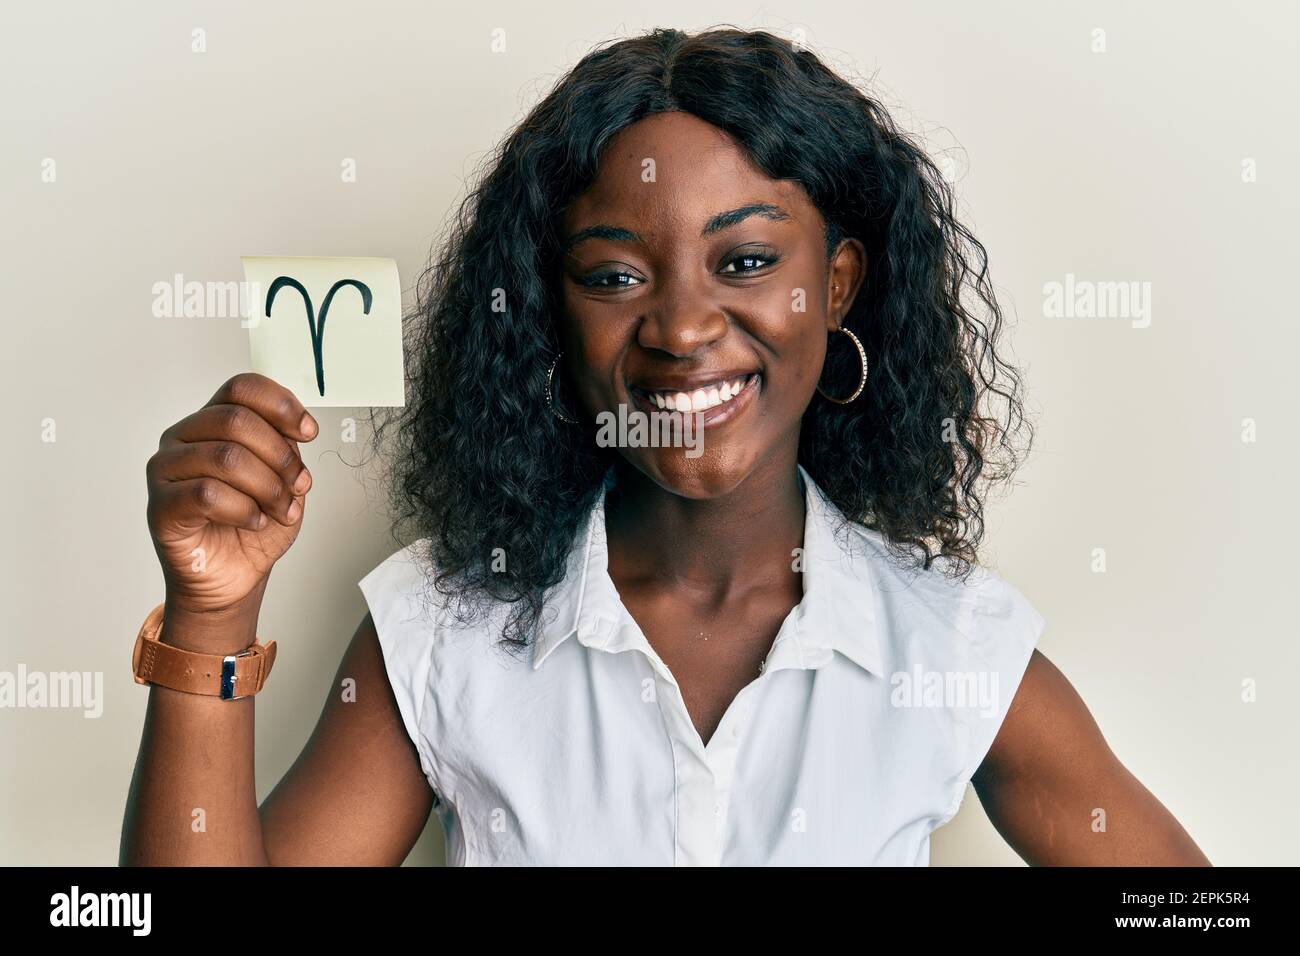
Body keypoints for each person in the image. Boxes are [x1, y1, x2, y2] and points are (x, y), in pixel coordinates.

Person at [121, 26, 1209, 866]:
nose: (683, 328)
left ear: (833, 288)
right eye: (613, 274)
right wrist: (211, 612)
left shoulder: (950, 648)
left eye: (742, 263)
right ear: (554, 314)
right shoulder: (446, 630)